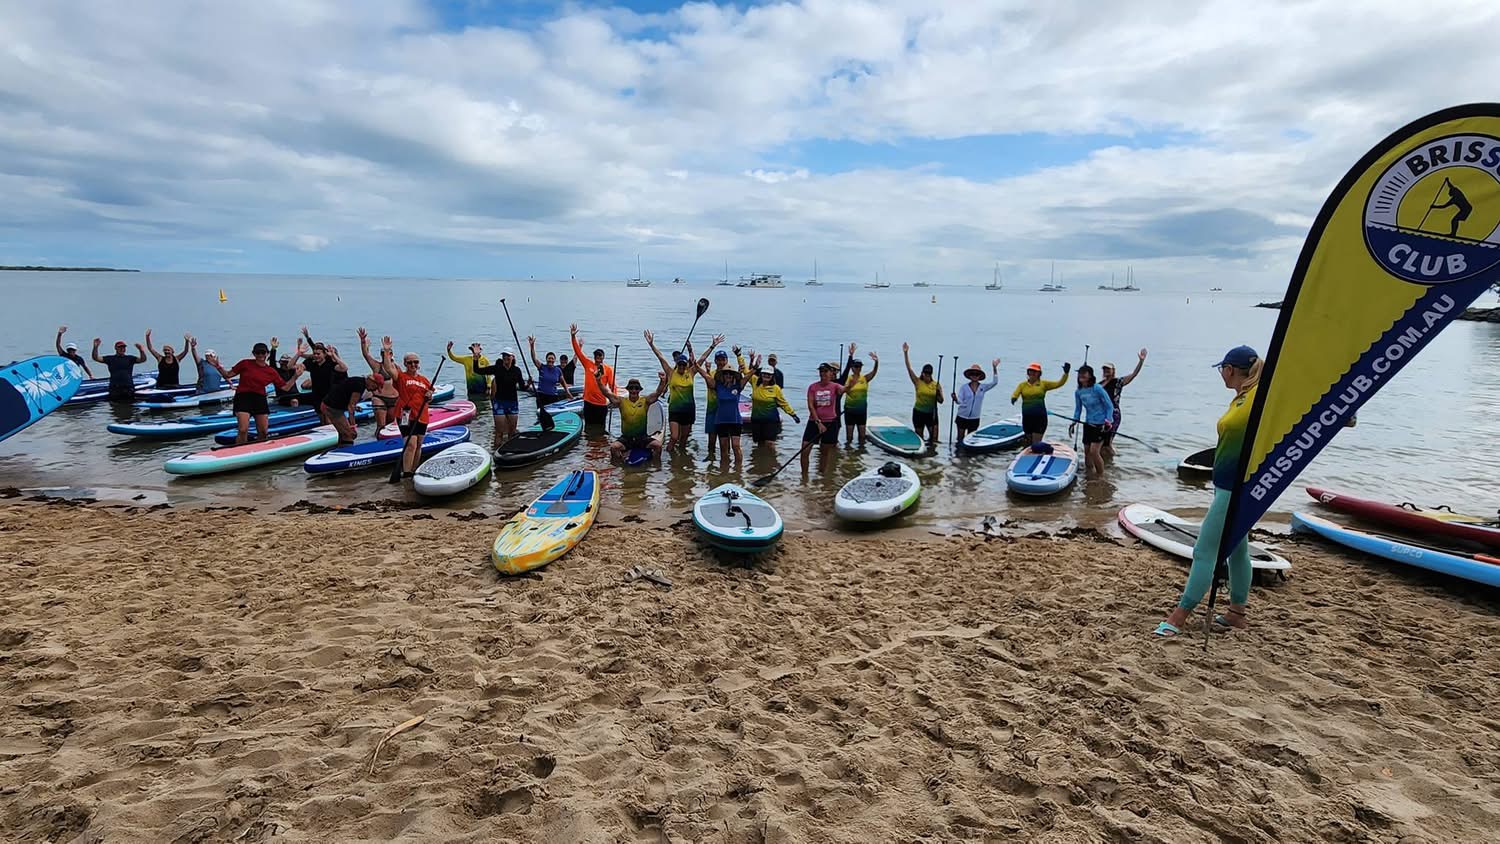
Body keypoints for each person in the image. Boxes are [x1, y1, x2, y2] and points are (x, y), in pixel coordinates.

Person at [1155, 345, 1262, 638]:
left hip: (1235, 490)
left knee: (1205, 551)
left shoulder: (1259, 398)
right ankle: (1237, 614)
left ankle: (1179, 617)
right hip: (1224, 486)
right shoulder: (1241, 398)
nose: (1221, 374)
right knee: (1238, 549)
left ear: (1230, 369)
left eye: (1222, 369)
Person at [209, 342, 296, 446]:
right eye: (257, 353)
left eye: (263, 353)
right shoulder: (245, 363)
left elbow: (285, 387)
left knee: (263, 431)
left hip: (259, 399)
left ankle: (259, 449)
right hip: (243, 398)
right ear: (254, 354)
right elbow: (228, 374)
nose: (260, 355)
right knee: (243, 429)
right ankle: (240, 450)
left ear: (266, 354)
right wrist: (218, 366)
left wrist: (295, 376)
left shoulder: (270, 371)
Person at [377, 337, 435, 481]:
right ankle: (407, 472)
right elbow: (389, 368)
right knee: (410, 444)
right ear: (405, 364)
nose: (413, 365)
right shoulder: (401, 377)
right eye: (410, 362)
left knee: (419, 444)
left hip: (422, 416)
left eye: (415, 362)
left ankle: (414, 470)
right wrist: (386, 350)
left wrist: (429, 395)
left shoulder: (424, 380)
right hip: (405, 415)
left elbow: (430, 396)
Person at [645, 330, 700, 450]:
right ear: (677, 364)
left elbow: (700, 360)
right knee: (674, 437)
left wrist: (712, 346)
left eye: (683, 365)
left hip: (689, 410)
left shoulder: (690, 373)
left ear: (686, 365)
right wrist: (651, 344)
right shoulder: (670, 372)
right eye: (679, 364)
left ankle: (681, 458)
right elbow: (660, 357)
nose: (681, 367)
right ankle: (669, 456)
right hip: (675, 409)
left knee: (684, 438)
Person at [601, 373, 667, 462]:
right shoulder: (621, 401)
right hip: (626, 438)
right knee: (613, 447)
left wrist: (662, 381)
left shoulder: (645, 401)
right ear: (628, 390)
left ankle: (655, 465)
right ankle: (619, 464)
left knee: (658, 446)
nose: (634, 391)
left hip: (642, 438)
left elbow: (658, 392)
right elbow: (606, 393)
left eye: (636, 388)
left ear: (639, 390)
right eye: (631, 388)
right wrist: (598, 380)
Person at [473, 348, 529, 448]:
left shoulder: (516, 370)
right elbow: (477, 370)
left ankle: (511, 451)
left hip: (512, 403)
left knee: (512, 432)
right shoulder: (497, 368)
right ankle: (496, 453)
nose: (506, 358)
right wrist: (476, 358)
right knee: (499, 432)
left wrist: (528, 384)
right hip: (499, 403)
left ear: (513, 357)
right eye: (504, 356)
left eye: (508, 356)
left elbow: (522, 388)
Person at [1068, 365, 1115, 477]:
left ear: (1090, 376)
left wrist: (1108, 420)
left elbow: (1109, 406)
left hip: (1101, 425)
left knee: (1094, 452)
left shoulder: (1097, 388)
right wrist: (1074, 421)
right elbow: (1078, 409)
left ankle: (1100, 476)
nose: (1081, 375)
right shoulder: (1078, 392)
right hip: (1088, 423)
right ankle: (1089, 475)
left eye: (1084, 373)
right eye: (1080, 373)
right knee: (1087, 452)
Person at [1100, 349, 1147, 458]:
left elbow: (1134, 374)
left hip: (1114, 415)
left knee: (1107, 444)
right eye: (1104, 369)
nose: (1106, 371)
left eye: (1108, 369)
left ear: (1113, 370)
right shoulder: (1100, 385)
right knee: (1100, 444)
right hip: (1101, 416)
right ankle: (1107, 462)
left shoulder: (1118, 382)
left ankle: (1114, 459)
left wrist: (1141, 361)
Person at [1011, 361, 1071, 445]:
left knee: (1036, 444)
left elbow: (1059, 383)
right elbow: (1015, 393)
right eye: (1030, 371)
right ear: (1028, 372)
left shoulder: (1043, 384)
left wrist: (1066, 374)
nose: (1032, 373)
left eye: (1035, 372)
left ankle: (1045, 450)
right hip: (1027, 418)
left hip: (1039, 418)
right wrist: (1014, 398)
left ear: (1039, 374)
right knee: (1028, 443)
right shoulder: (1022, 385)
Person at [800, 362, 845, 472]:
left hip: (830, 422)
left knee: (824, 452)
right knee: (804, 450)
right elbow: (811, 406)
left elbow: (845, 389)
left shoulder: (835, 386)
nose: (823, 373)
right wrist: (818, 422)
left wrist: (853, 381)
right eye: (821, 371)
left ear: (831, 373)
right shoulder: (813, 387)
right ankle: (804, 477)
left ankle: (821, 476)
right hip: (814, 422)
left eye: (825, 371)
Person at [697, 336, 738, 458]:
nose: (721, 362)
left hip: (726, 411)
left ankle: (726, 460)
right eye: (718, 360)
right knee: (711, 439)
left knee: (726, 441)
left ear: (727, 360)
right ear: (715, 361)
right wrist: (708, 372)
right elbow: (710, 386)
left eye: (723, 359)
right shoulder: (712, 373)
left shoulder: (732, 374)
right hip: (712, 408)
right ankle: (711, 460)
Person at [569, 324, 616, 428]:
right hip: (588, 402)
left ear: (603, 357)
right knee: (588, 427)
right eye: (596, 356)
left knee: (601, 428)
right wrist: (573, 337)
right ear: (594, 357)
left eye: (600, 355)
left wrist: (614, 399)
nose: (598, 357)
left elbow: (613, 386)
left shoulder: (608, 369)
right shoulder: (588, 364)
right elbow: (578, 352)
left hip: (601, 404)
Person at [747, 355, 799, 447]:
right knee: (759, 444)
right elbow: (745, 372)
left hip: (771, 420)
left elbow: (783, 403)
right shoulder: (755, 382)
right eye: (764, 373)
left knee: (770, 444)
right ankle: (760, 461)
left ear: (772, 376)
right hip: (756, 419)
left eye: (769, 374)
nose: (766, 376)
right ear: (761, 374)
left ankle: (772, 460)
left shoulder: (776, 389)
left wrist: (793, 414)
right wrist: (739, 356)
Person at [298, 329, 349, 421]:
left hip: (334, 393)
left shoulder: (335, 365)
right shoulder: (323, 360)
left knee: (328, 416)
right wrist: (307, 339)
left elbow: (344, 368)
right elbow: (314, 352)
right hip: (319, 393)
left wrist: (334, 355)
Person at [353, 328, 399, 426]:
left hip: (394, 399)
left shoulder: (396, 367)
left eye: (388, 353)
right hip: (380, 398)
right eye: (383, 353)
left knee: (391, 424)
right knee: (381, 425)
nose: (385, 355)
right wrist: (363, 342)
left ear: (392, 354)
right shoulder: (377, 366)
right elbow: (366, 355)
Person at [322, 370, 381, 445]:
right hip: (331, 408)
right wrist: (353, 427)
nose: (375, 390)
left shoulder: (359, 381)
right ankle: (346, 451)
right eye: (376, 387)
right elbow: (351, 408)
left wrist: (355, 407)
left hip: (331, 406)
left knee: (344, 434)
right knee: (350, 435)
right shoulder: (359, 386)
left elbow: (345, 396)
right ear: (372, 381)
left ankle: (341, 448)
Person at [902, 343, 945, 445]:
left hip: (932, 414)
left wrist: (938, 394)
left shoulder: (936, 385)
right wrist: (906, 353)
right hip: (919, 413)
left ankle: (931, 456)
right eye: (925, 373)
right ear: (922, 373)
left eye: (929, 374)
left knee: (934, 440)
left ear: (931, 374)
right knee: (920, 439)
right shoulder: (917, 382)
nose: (927, 375)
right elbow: (909, 369)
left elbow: (941, 401)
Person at [527, 335, 573, 429]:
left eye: (552, 358)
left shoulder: (558, 370)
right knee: (541, 416)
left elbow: (563, 382)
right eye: (549, 358)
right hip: (541, 396)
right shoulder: (542, 367)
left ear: (554, 360)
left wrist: (567, 392)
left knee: (553, 417)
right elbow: (534, 359)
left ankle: (553, 430)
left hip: (553, 397)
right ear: (546, 359)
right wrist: (532, 346)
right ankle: (540, 429)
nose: (550, 360)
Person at [839, 342, 879, 446]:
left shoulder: (864, 378)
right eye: (856, 366)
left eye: (859, 366)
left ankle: (860, 455)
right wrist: (850, 355)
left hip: (862, 411)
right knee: (849, 437)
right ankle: (849, 454)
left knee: (862, 437)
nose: (858, 368)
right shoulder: (848, 379)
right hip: (849, 411)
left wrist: (876, 362)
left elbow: (874, 372)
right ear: (852, 368)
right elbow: (843, 390)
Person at [707, 366, 750, 463]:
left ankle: (738, 471)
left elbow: (747, 377)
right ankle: (724, 472)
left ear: (734, 376)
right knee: (723, 448)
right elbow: (706, 377)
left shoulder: (738, 386)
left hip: (735, 421)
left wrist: (754, 367)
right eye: (726, 374)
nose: (728, 376)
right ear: (722, 376)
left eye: (730, 374)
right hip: (721, 421)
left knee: (736, 446)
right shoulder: (718, 386)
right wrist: (698, 367)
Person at [953, 359, 1002, 441]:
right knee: (960, 439)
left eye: (977, 374)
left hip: (974, 418)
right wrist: (955, 399)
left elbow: (995, 382)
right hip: (962, 416)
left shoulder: (983, 387)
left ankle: (968, 454)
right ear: (969, 376)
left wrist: (994, 368)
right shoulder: (964, 387)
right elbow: (960, 401)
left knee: (970, 440)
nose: (974, 375)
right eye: (972, 374)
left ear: (979, 376)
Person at [274, 340, 310, 407]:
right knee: (294, 401)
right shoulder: (277, 372)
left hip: (296, 394)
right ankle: (296, 414)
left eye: (286, 362)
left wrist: (299, 349)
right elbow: (272, 363)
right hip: (283, 397)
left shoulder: (292, 370)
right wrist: (274, 349)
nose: (284, 364)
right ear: (280, 363)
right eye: (283, 363)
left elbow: (295, 363)